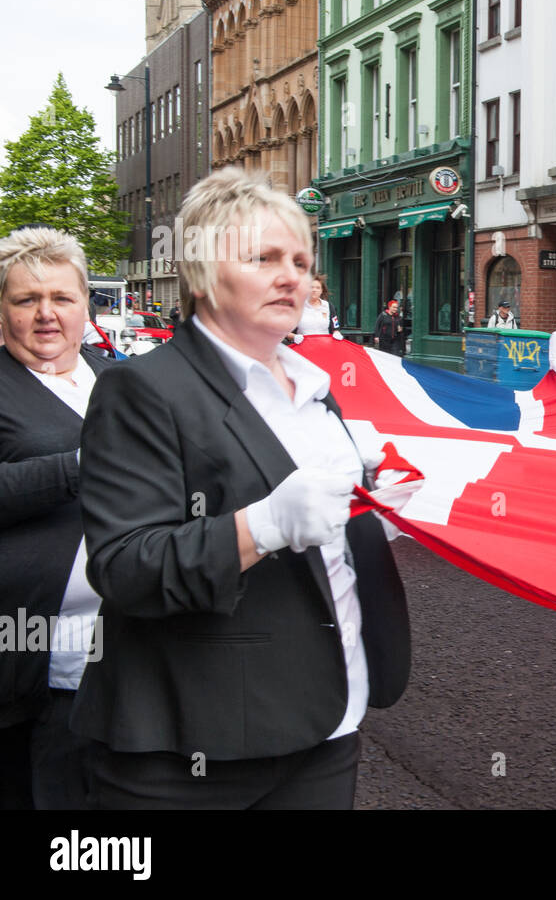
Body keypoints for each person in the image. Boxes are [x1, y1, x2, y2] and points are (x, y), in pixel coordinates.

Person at [71, 168, 412, 809]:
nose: (294, 278)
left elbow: (324, 530)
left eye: (301, 261)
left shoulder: (313, 384)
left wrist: (373, 510)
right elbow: (123, 566)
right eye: (264, 258)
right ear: (201, 274)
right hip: (195, 752)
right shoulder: (142, 390)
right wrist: (261, 526)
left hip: (329, 725)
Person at [0, 227, 114, 809]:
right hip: (35, 660)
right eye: (26, 300)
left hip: (135, 653)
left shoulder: (123, 380)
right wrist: (79, 465)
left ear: (85, 305)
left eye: (62, 298)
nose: (47, 315)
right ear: (3, 311)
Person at [292, 274, 342, 342]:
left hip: (325, 347)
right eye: (311, 287)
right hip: (303, 347)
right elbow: (284, 331)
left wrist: (337, 333)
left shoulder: (328, 306)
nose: (314, 290)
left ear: (322, 290)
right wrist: (294, 337)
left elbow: (336, 327)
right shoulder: (298, 306)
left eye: (318, 288)